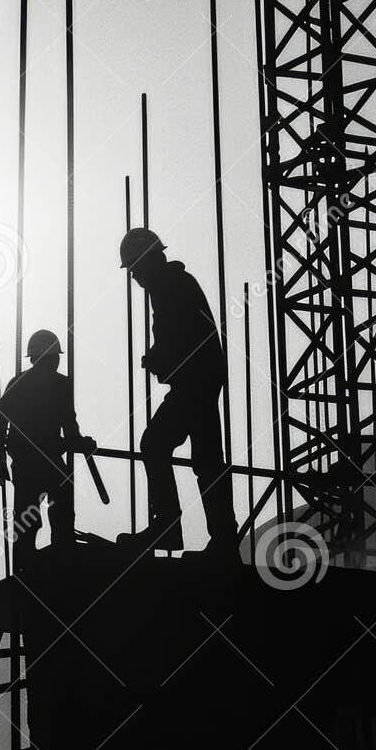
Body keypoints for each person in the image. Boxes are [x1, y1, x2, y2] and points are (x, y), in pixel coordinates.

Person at [118, 228, 238, 557]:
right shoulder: (174, 283)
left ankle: (167, 528)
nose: (134, 277)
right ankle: (224, 538)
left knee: (154, 443)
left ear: (147, 262)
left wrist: (158, 358)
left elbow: (180, 337)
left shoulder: (168, 286)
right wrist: (162, 357)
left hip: (195, 381)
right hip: (203, 378)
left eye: (134, 269)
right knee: (207, 459)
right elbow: (181, 335)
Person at [0, 329, 96, 572]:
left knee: (32, 518)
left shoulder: (19, 384)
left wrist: (0, 461)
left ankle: (31, 567)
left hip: (31, 462)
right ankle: (56, 562)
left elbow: (0, 423)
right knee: (53, 513)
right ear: (49, 358)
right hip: (42, 461)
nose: (56, 361)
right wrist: (79, 442)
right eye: (54, 357)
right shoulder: (60, 384)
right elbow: (69, 428)